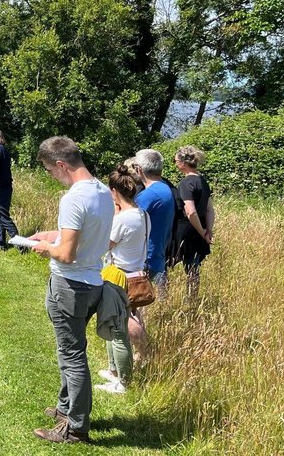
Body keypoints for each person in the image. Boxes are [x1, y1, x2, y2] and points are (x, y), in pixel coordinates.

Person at [29, 136, 114, 445]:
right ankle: (67, 409)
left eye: (51, 171)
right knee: (72, 350)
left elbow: (66, 253)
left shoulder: (73, 198)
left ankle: (75, 427)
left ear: (61, 165)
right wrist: (54, 235)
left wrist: (44, 247)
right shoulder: (102, 191)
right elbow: (86, 236)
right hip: (93, 281)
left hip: (71, 283)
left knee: (72, 356)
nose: (53, 177)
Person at [97, 165, 151, 395]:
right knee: (113, 324)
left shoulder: (122, 220)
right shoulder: (142, 214)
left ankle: (123, 381)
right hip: (136, 273)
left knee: (118, 331)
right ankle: (114, 370)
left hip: (119, 276)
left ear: (114, 192)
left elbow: (103, 245)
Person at [174, 146, 214, 297]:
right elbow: (210, 209)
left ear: (183, 163)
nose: (176, 164)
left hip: (188, 231)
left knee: (168, 264)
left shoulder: (186, 183)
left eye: (176, 161)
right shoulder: (202, 181)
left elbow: (190, 212)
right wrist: (208, 230)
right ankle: (193, 299)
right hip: (201, 229)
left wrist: (201, 231)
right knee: (194, 268)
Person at [133, 149, 175, 293]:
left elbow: (127, 221)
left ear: (139, 170)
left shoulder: (148, 195)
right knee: (159, 299)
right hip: (158, 254)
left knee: (138, 304)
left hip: (146, 258)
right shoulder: (165, 188)